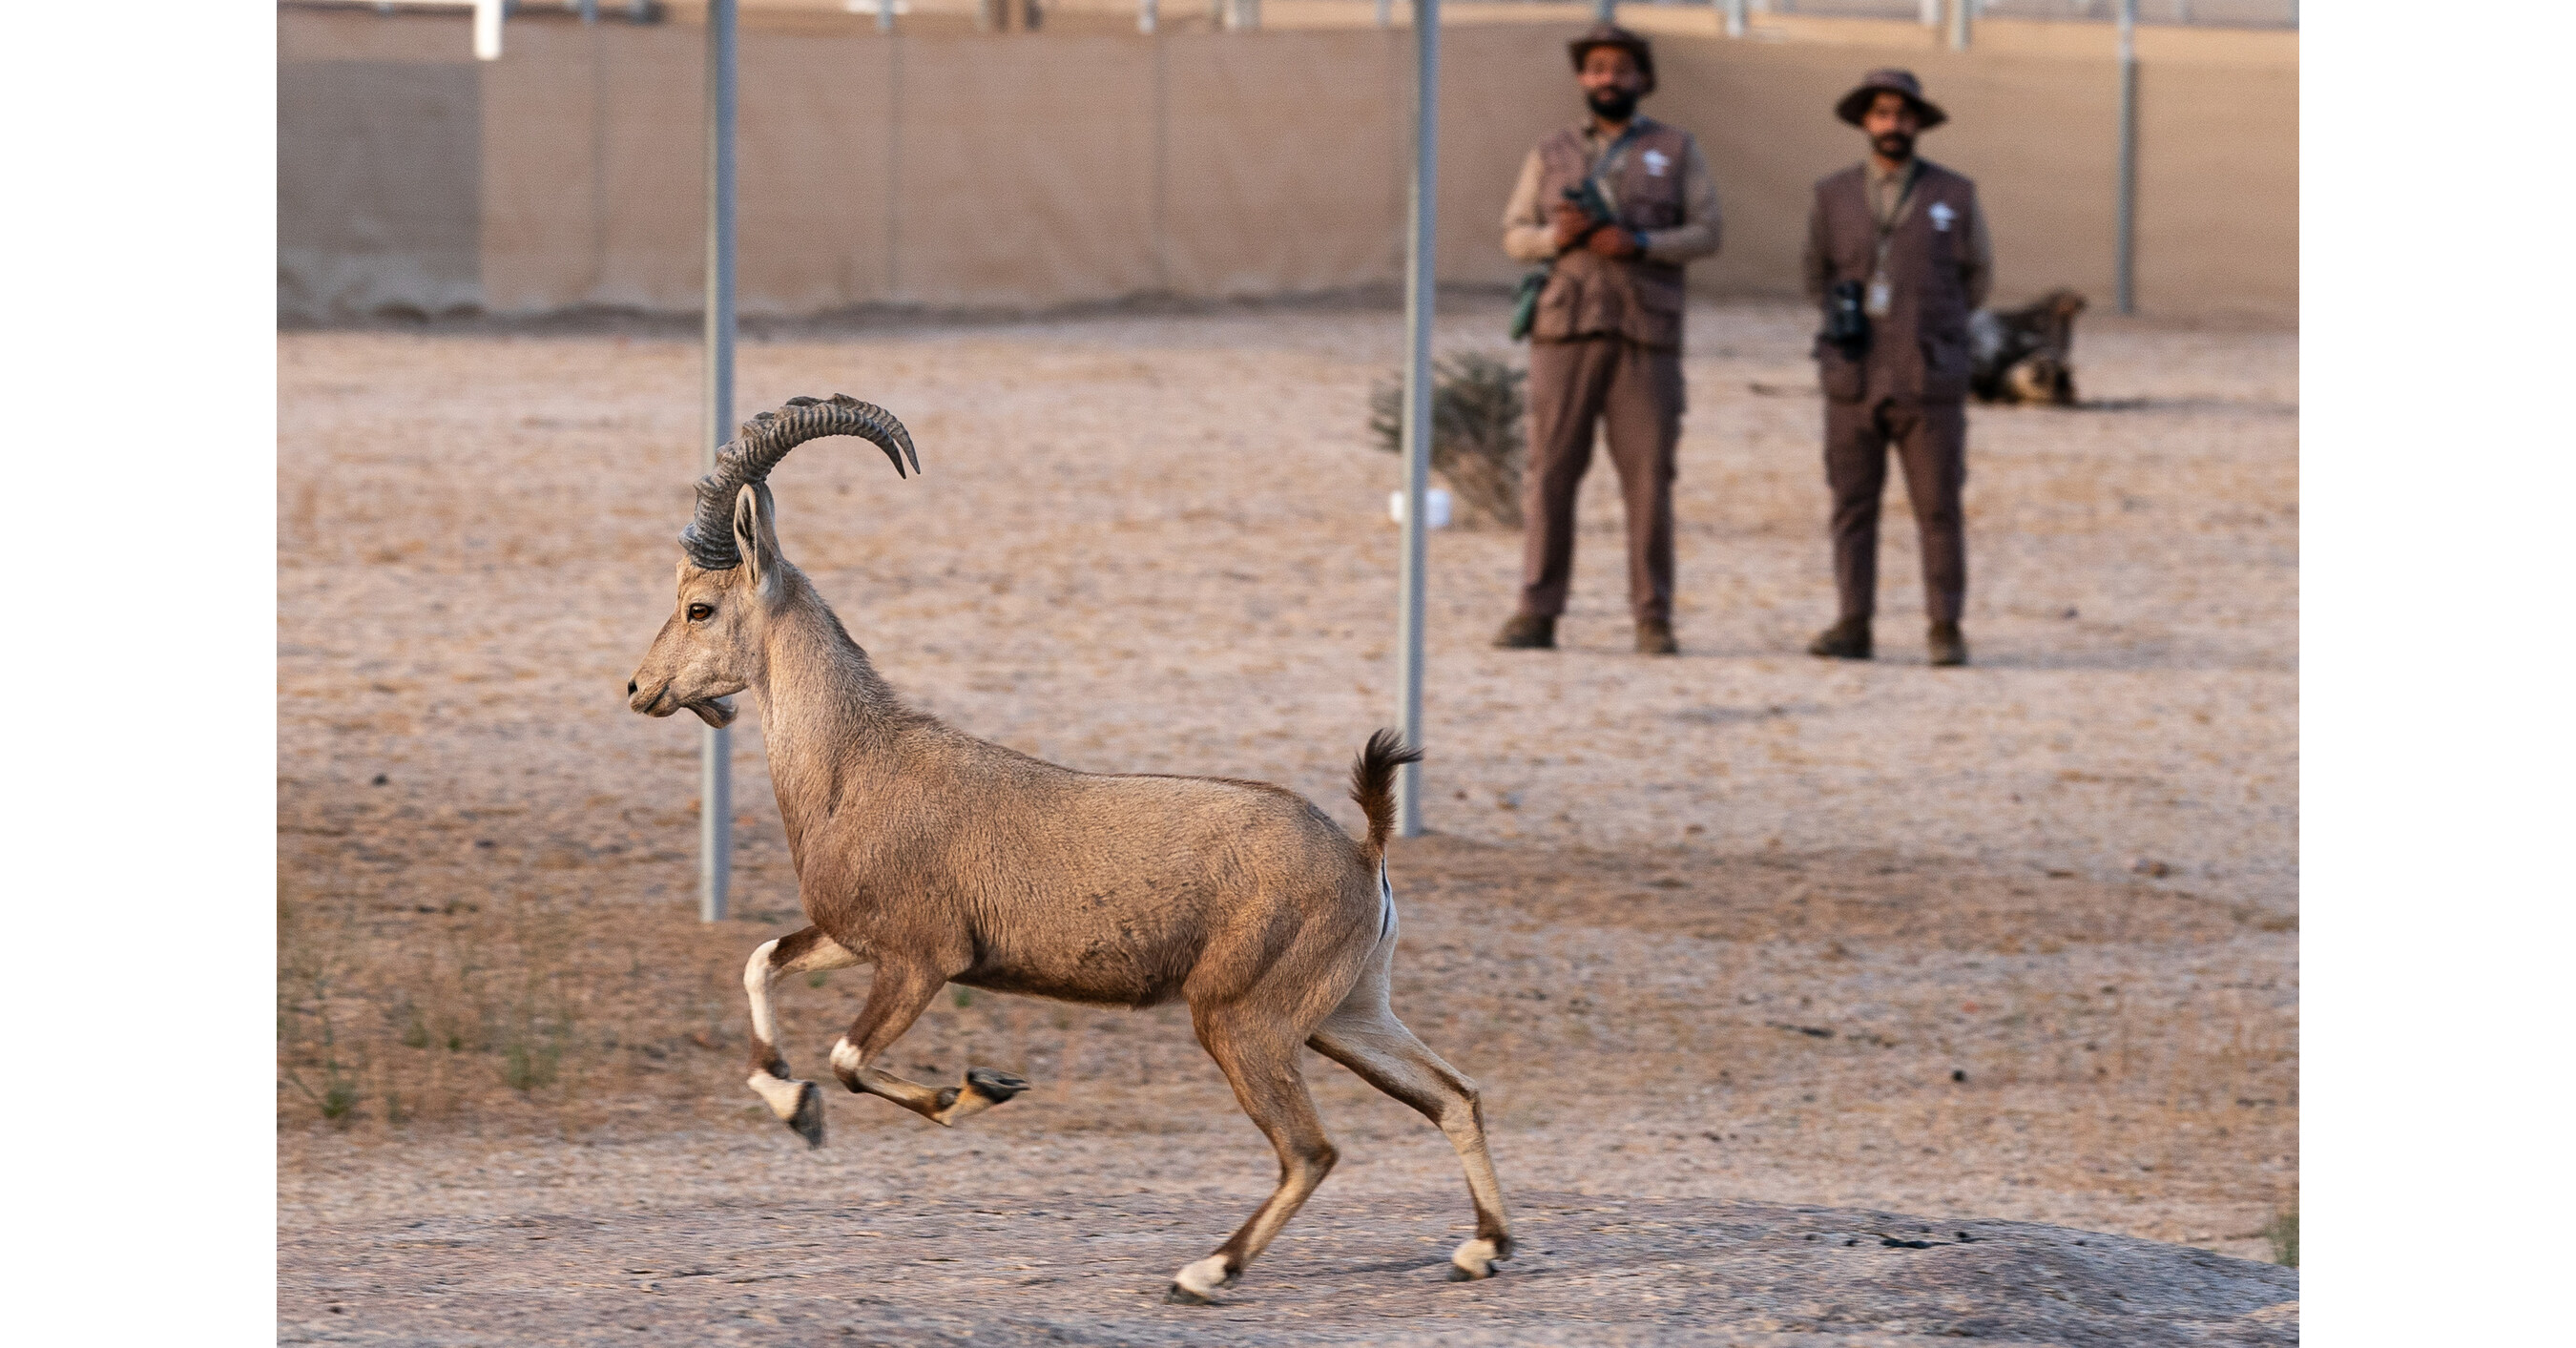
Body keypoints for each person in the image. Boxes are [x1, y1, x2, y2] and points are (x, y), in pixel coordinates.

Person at [1493, 23, 1721, 656]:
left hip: (1645, 334)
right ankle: (1537, 611)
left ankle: (1652, 616)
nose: (1608, 79)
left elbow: (1708, 230)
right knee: (1550, 475)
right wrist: (1555, 237)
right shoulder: (1551, 150)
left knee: (1648, 479)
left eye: (1621, 68)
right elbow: (1514, 233)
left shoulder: (1677, 150)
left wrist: (1640, 242)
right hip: (1563, 330)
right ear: (1581, 78)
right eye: (1596, 68)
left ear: (1642, 79)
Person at [1799, 69, 1991, 667]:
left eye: (1904, 114)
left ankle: (1944, 627)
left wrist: (1928, 319)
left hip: (1927, 372)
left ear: (1919, 123)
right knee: (1852, 505)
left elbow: (1977, 277)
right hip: (1854, 371)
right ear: (1865, 121)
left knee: (1938, 506)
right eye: (1882, 113)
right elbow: (1813, 273)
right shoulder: (1832, 194)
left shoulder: (1954, 195)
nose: (1893, 124)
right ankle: (1853, 622)